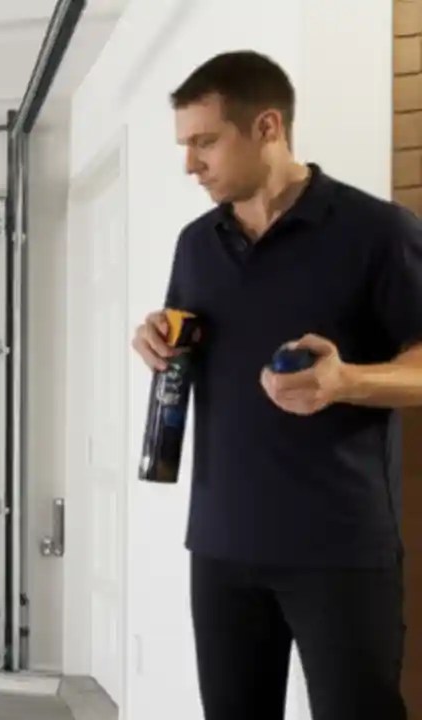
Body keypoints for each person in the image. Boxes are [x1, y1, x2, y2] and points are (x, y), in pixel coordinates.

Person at [132, 50, 422, 719]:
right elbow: (187, 348)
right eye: (185, 146)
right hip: (221, 544)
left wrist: (347, 380)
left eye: (205, 142)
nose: (190, 164)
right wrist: (157, 339)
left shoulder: (378, 231)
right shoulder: (196, 245)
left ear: (267, 127)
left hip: (340, 548)